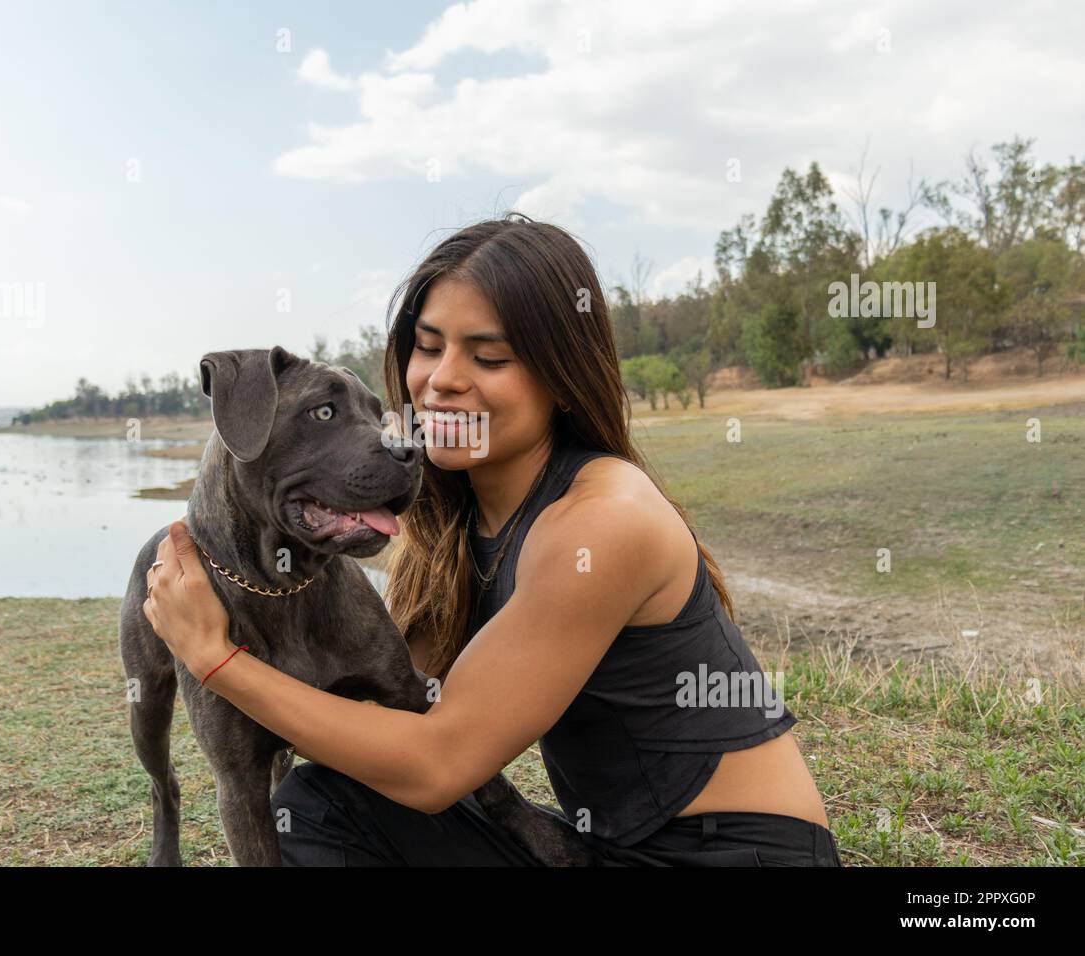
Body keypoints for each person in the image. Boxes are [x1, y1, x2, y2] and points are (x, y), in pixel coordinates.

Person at [144, 212, 843, 867]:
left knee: (340, 798)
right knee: (323, 805)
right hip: (605, 850)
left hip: (732, 855)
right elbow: (384, 711)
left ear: (562, 379)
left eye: (490, 357)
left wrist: (214, 657)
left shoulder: (602, 520)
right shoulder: (459, 521)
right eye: (428, 347)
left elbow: (436, 763)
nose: (443, 381)